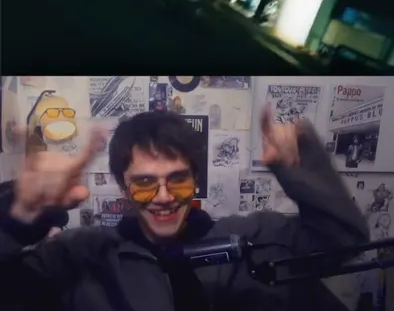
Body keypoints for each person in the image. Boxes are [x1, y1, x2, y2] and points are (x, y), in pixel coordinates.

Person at [0, 106, 369, 311]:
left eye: (177, 179)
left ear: (196, 180)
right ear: (124, 187)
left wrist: (301, 174)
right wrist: (19, 219)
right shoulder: (79, 253)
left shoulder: (255, 237)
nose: (163, 197)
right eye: (145, 182)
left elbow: (342, 244)